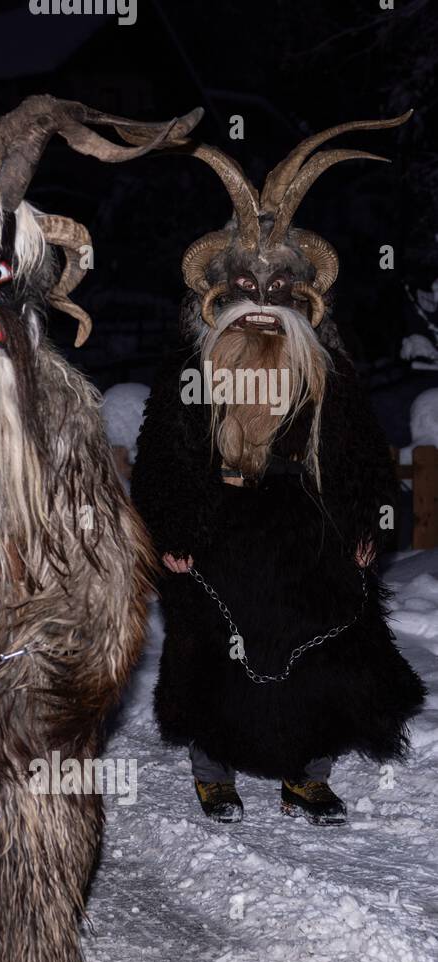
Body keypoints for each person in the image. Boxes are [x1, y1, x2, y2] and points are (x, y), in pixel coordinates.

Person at [130, 117, 424, 826]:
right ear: (216, 290)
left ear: (305, 294)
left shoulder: (330, 370)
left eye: (279, 284)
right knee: (214, 650)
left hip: (307, 530)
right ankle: (213, 768)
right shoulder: (191, 371)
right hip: (217, 528)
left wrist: (366, 527)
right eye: (242, 282)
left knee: (322, 652)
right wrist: (170, 529)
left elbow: (360, 454)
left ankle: (306, 774)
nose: (261, 295)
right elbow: (165, 455)